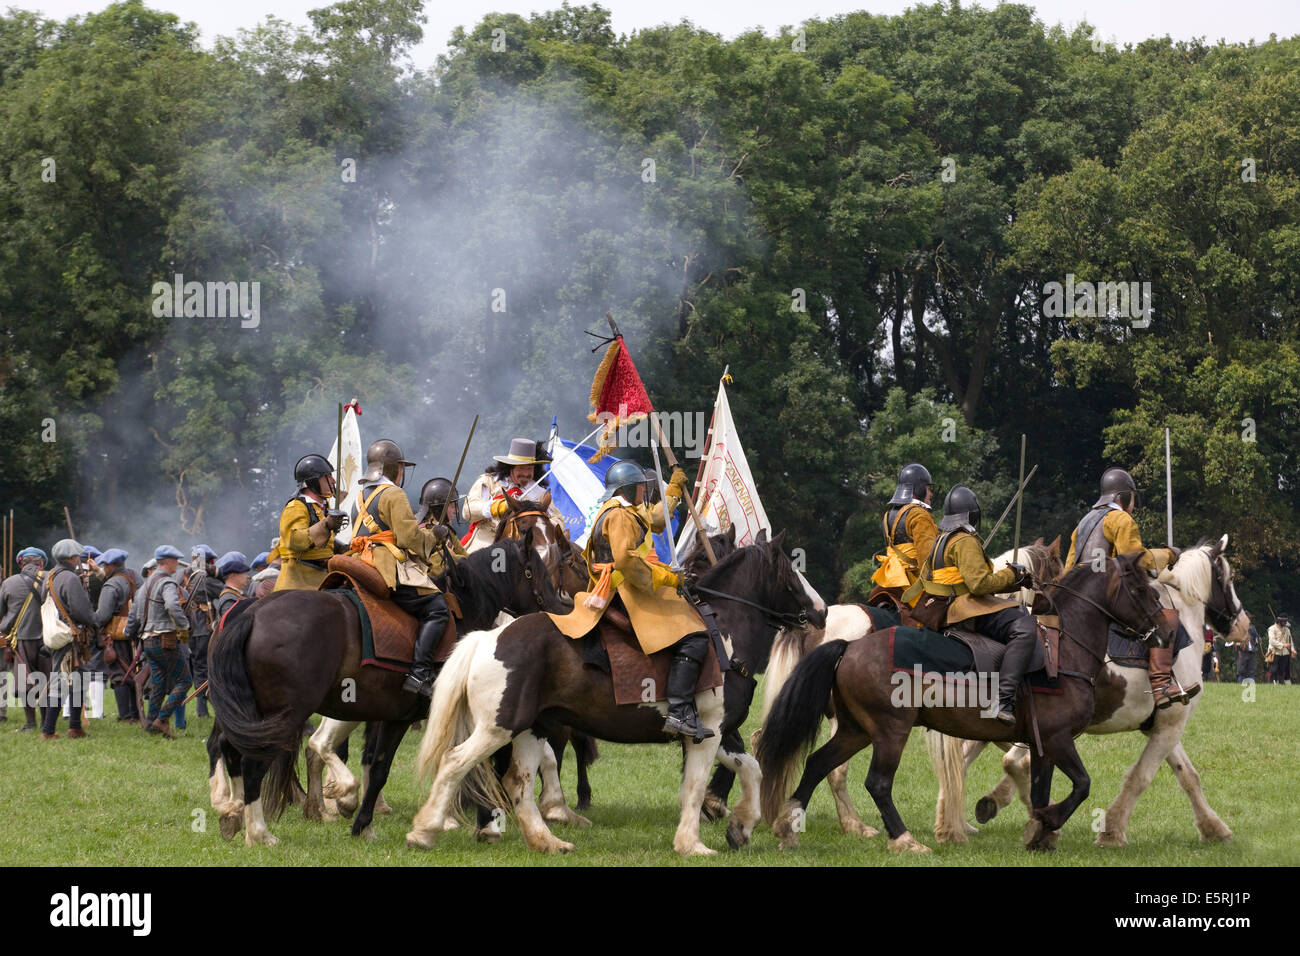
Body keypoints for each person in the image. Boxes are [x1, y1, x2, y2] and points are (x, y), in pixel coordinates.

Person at [549, 460, 714, 739]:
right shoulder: (621, 516)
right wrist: (665, 579)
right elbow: (625, 560)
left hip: (625, 584)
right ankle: (679, 711)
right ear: (628, 489)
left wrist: (673, 491)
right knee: (694, 636)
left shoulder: (621, 510)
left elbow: (657, 520)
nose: (643, 491)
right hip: (625, 589)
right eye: (640, 487)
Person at [1063, 467, 1196, 708]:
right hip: (1105, 593)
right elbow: (1134, 560)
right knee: (1164, 613)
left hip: (1079, 595)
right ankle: (1161, 684)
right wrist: (1167, 554)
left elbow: (1069, 568)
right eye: (1133, 496)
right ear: (1123, 497)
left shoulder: (1082, 523)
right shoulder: (1121, 518)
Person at [907, 486, 1035, 725]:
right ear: (973, 514)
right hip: (963, 609)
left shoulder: (941, 539)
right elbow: (978, 584)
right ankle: (1004, 699)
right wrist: (1012, 576)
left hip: (944, 606)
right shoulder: (964, 540)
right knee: (1025, 626)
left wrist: (1012, 581)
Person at [348, 439, 450, 700]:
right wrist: (434, 536)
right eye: (401, 468)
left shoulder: (359, 497)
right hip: (383, 564)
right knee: (436, 607)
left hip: (359, 559)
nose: (403, 473)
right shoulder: (394, 494)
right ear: (394, 469)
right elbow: (408, 538)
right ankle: (419, 673)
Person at [131, 545, 192, 738]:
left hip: (147, 641)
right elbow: (173, 606)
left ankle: (151, 723)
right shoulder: (167, 583)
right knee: (185, 681)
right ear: (168, 561)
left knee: (158, 682)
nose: (177, 564)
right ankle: (162, 719)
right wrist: (184, 627)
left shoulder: (144, 586)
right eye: (175, 560)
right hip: (165, 640)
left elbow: (134, 616)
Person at [41, 538, 98, 739]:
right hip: (69, 636)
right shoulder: (70, 578)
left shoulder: (50, 576)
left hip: (56, 634)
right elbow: (81, 612)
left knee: (77, 680)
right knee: (63, 681)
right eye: (77, 557)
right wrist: (95, 619)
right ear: (73, 557)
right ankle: (48, 731)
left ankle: (75, 727)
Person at [461, 438, 557, 553]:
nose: (526, 474)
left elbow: (557, 520)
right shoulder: (489, 482)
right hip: (486, 542)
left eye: (529, 468)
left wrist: (539, 524)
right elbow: (468, 511)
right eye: (521, 468)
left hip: (527, 547)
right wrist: (495, 507)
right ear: (510, 467)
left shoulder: (540, 494)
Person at [870, 463, 939, 606]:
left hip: (891, 578)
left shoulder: (888, 514)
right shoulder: (919, 514)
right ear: (919, 489)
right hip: (911, 582)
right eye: (928, 488)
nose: (930, 494)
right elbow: (929, 558)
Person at [274, 454, 344, 591]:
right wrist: (326, 525)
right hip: (299, 583)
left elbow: (321, 545)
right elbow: (294, 540)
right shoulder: (296, 506)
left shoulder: (322, 507)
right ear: (313, 481)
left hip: (321, 578)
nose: (333, 480)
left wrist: (343, 548)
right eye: (327, 476)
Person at [1, 547, 48, 732]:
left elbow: (1, 612)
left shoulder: (9, 583)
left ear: (20, 563)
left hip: (20, 639)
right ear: (41, 563)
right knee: (46, 680)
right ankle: (46, 722)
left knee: (24, 682)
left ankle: (30, 723)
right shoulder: (50, 579)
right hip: (48, 639)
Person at [92, 548, 139, 723]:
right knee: (134, 672)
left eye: (105, 565)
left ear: (112, 565)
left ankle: (126, 715)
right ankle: (135, 712)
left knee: (120, 675)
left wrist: (91, 620)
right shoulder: (135, 578)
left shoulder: (112, 585)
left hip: (117, 635)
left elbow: (103, 615)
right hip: (136, 633)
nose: (104, 568)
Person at [182, 545, 220, 719]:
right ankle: (203, 709)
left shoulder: (185, 578)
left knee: (198, 667)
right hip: (205, 629)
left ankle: (202, 708)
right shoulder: (208, 580)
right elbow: (225, 589)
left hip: (191, 629)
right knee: (206, 667)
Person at [416, 477, 467, 577]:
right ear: (440, 509)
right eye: (452, 506)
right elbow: (438, 565)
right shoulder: (422, 533)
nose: (456, 511)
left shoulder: (447, 531)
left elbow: (463, 554)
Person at [215, 552, 252, 623]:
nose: (248, 576)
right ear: (233, 576)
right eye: (244, 573)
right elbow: (233, 628)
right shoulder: (229, 599)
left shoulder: (236, 595)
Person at [1267, 614, 1293, 684]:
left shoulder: (1287, 630)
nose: (1285, 623)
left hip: (1285, 653)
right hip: (1274, 652)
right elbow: (1272, 641)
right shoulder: (1272, 629)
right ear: (1279, 621)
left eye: (1285, 621)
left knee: (1282, 671)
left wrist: (1292, 650)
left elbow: (1290, 641)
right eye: (1284, 621)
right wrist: (1283, 645)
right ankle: (1270, 683)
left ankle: (1281, 684)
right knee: (1272, 670)